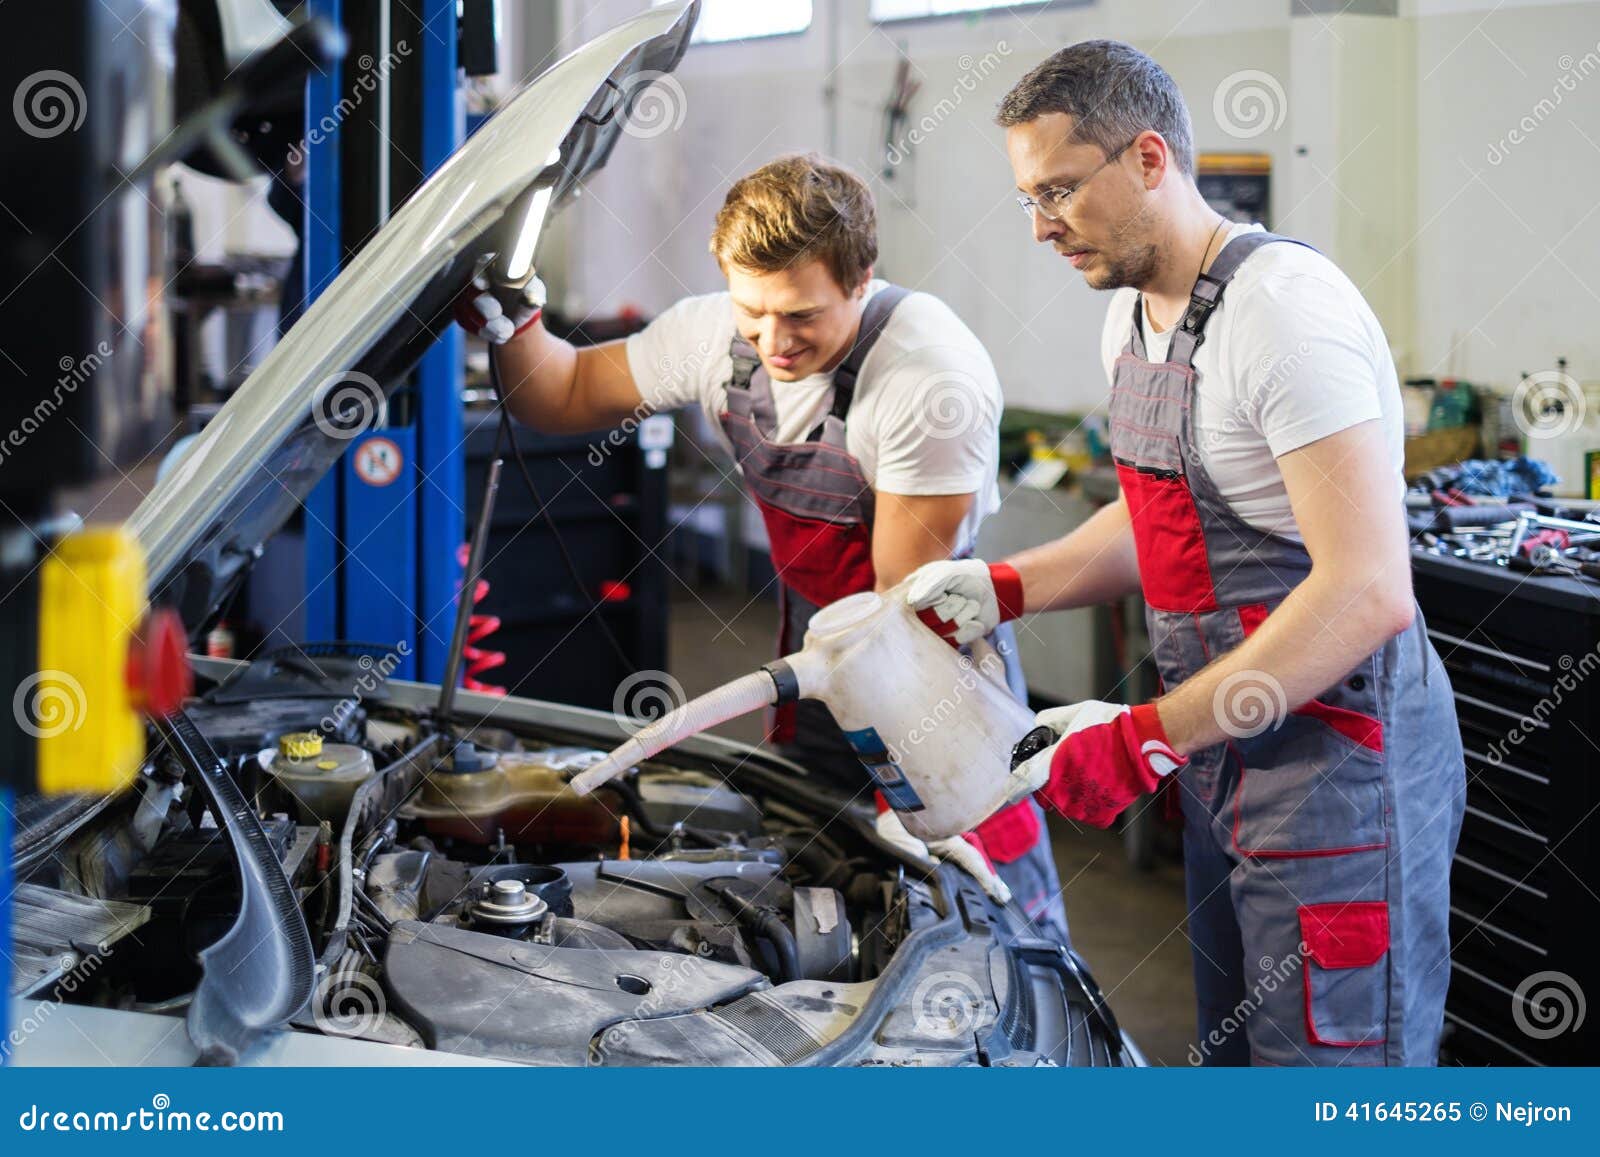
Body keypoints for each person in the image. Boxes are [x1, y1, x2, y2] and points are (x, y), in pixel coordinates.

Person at [908, 42, 1464, 1065]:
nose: (1039, 227)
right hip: (1229, 761)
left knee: (1336, 1080)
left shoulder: (1283, 315)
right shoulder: (1132, 312)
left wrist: (1142, 738)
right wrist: (1005, 587)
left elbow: (1368, 587)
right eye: (1027, 198)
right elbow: (1168, 514)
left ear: (1151, 157)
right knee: (1238, 1056)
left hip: (1340, 771)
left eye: (1060, 191)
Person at [457, 153, 1069, 944]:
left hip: (934, 686)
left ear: (861, 278)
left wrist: (909, 794)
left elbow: (902, 621)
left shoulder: (927, 380)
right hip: (818, 660)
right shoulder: (719, 333)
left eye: (802, 316)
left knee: (990, 921)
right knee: (828, 907)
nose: (773, 341)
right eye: (754, 310)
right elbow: (566, 391)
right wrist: (516, 324)